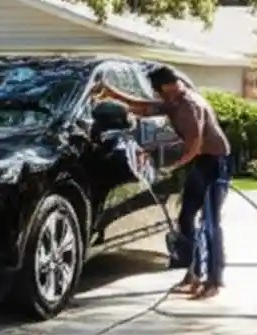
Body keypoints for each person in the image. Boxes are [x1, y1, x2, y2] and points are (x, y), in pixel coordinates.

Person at [91, 67, 232, 300]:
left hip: (215, 165)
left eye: (158, 91)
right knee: (186, 217)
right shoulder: (175, 100)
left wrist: (169, 165)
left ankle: (214, 280)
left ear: (166, 86)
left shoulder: (189, 105)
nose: (157, 96)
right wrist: (112, 94)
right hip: (202, 163)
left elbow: (194, 144)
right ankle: (194, 273)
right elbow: (144, 108)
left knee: (210, 222)